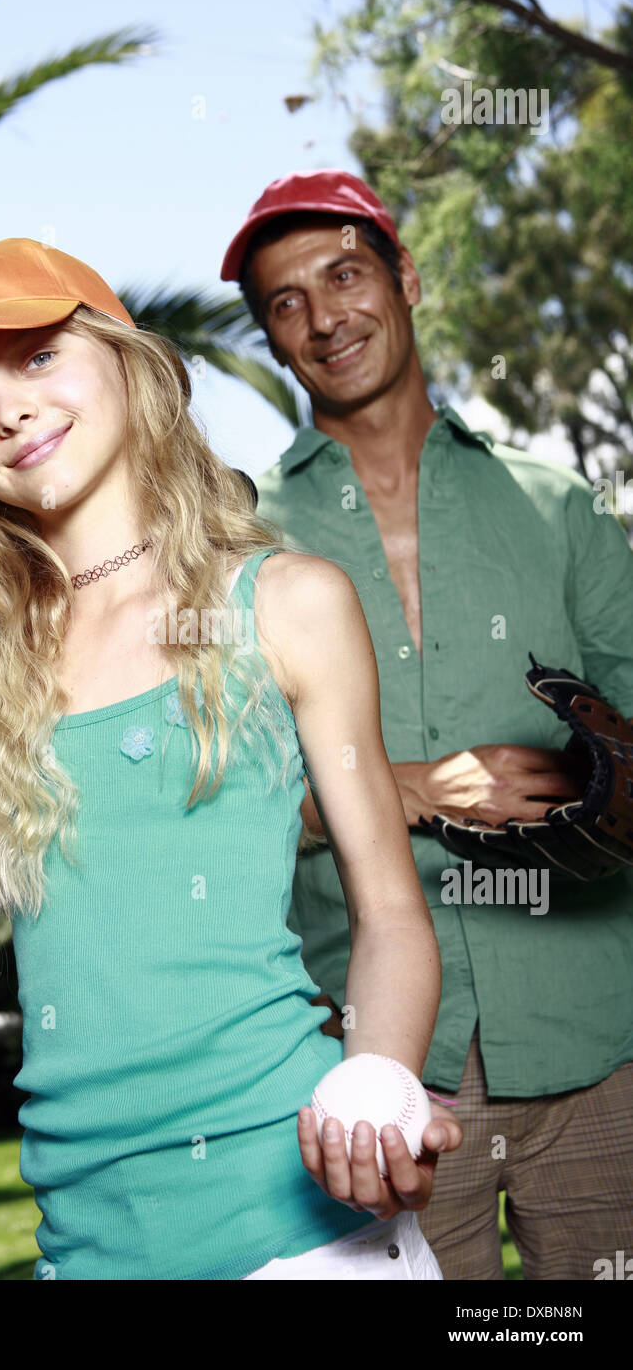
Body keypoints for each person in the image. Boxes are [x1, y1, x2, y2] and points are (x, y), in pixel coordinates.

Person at [0, 236, 462, 1281]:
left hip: (298, 1230)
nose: (5, 410)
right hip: (85, 1252)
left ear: (128, 364)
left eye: (39, 357)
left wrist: (375, 1080)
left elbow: (390, 913)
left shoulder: (283, 600)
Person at [220, 169, 633, 1280]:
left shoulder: (555, 506)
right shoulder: (236, 541)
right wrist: (405, 786)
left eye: (344, 275)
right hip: (365, 1065)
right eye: (285, 304)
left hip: (592, 1033)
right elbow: (209, 800)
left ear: (402, 279)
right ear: (271, 340)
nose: (322, 316)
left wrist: (599, 779)